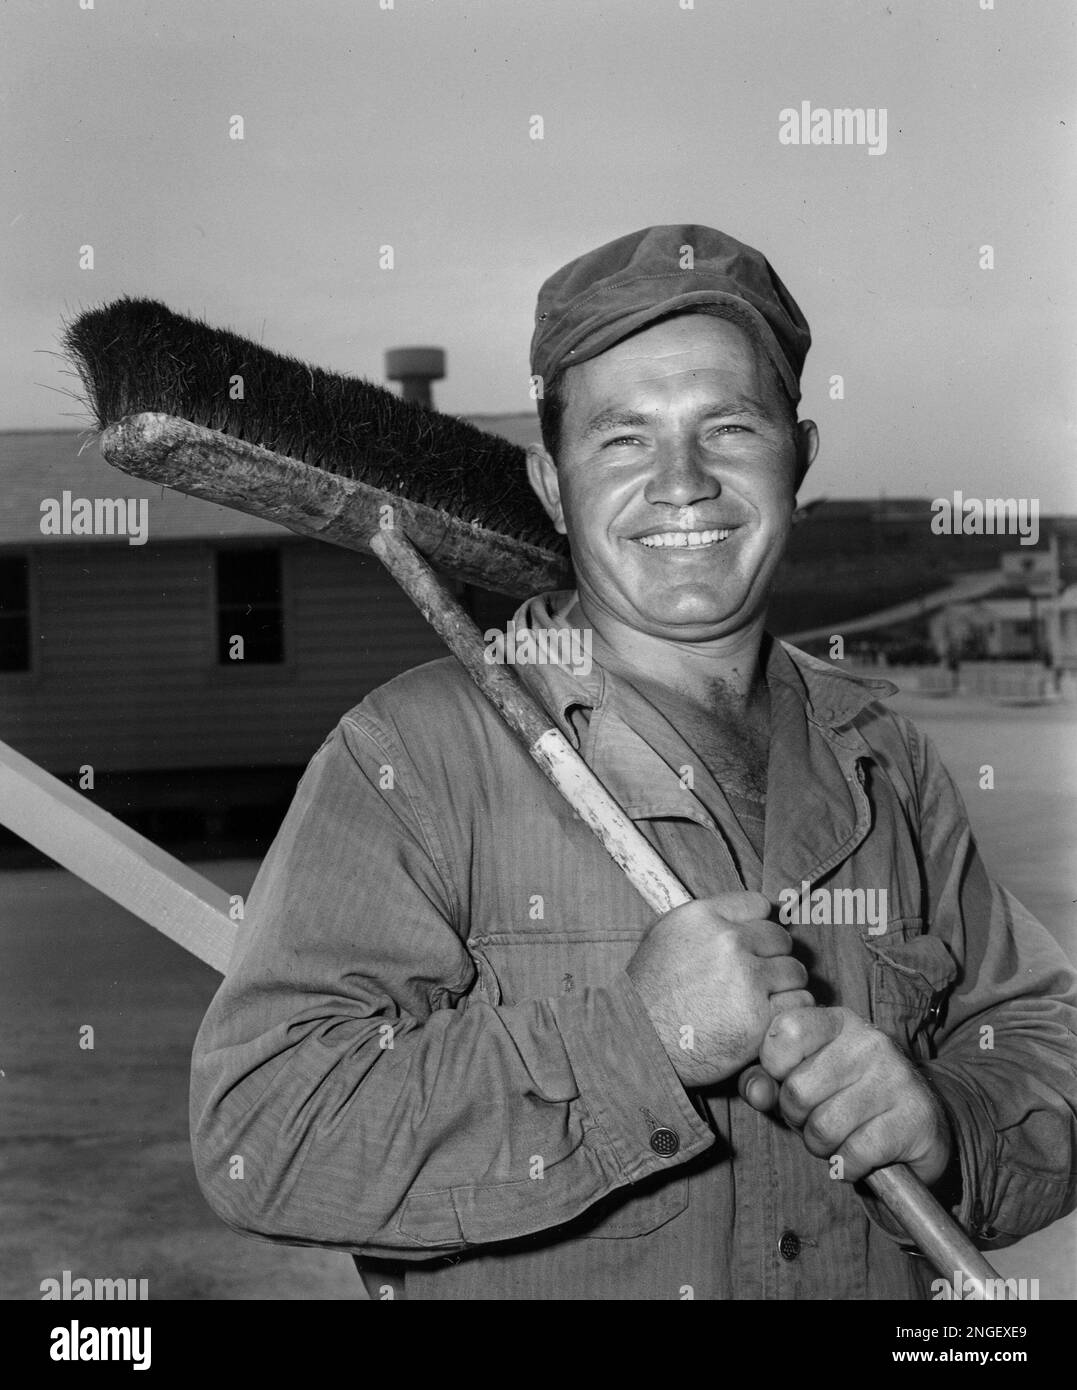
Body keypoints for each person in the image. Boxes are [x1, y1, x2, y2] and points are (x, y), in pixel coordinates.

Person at [190, 225, 1077, 1300]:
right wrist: (637, 1040)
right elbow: (264, 1133)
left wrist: (946, 1120)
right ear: (551, 485)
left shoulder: (886, 761)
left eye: (728, 428)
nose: (682, 483)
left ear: (799, 457)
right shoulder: (412, 759)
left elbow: (1043, 1036)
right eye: (622, 439)